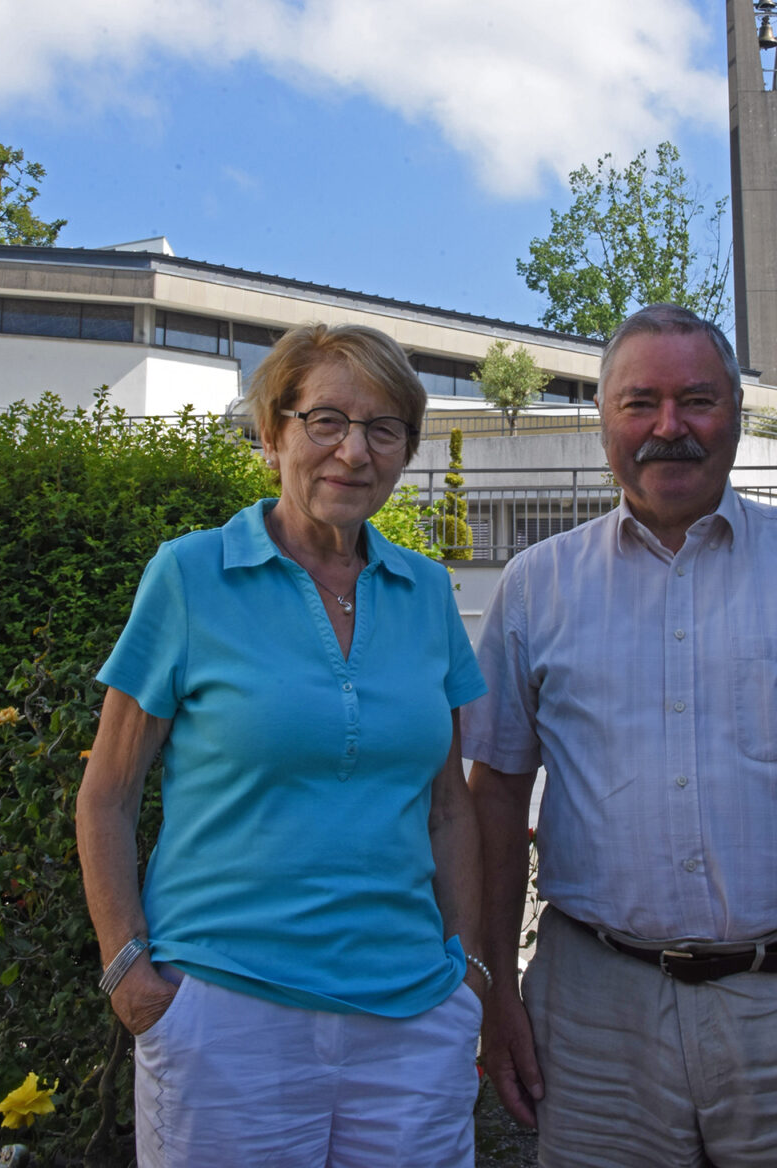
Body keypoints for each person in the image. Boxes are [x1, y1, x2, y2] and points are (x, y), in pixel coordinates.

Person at [462, 304, 777, 1168]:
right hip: (595, 1022)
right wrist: (494, 985)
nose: (669, 427)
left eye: (697, 400)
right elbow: (495, 792)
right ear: (603, 418)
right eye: (638, 402)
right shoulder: (537, 587)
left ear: (737, 411)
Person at [76, 322, 489, 1168]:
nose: (353, 451)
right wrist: (131, 976)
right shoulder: (190, 577)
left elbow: (450, 809)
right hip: (225, 1015)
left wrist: (471, 976)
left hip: (412, 1018)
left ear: (406, 449)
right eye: (325, 420)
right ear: (273, 435)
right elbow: (108, 794)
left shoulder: (426, 593)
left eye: (383, 429)